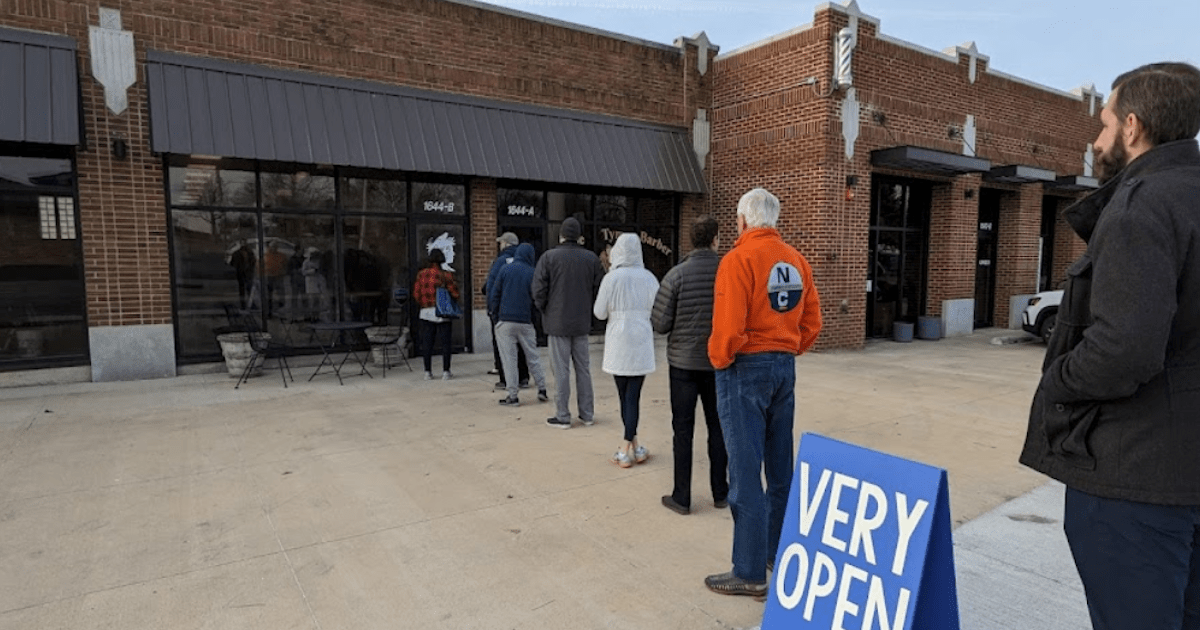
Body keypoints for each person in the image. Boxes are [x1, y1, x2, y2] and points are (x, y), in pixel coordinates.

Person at [1019, 62, 1200, 630]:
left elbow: (1124, 347)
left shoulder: (1141, 204)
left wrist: (1058, 380)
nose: (1095, 141)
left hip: (1137, 480)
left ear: (1132, 127)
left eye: (1101, 126)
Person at [704, 188, 822, 598]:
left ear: (740, 221)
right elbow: (813, 321)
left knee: (745, 470)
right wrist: (789, 347)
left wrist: (721, 360)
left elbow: (729, 327)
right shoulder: (797, 260)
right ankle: (776, 553)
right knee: (779, 468)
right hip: (783, 368)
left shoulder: (737, 260)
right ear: (774, 220)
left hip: (744, 369)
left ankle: (749, 569)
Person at [651, 215, 728, 514]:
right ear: (715, 239)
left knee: (682, 430)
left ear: (690, 240)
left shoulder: (676, 275)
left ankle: (681, 497)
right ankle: (721, 492)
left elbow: (660, 323)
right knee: (718, 428)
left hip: (682, 365)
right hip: (718, 363)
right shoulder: (729, 273)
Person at [593, 232, 659, 466]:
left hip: (618, 341)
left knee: (625, 397)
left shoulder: (611, 279)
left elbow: (599, 313)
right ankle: (636, 446)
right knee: (633, 396)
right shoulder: (649, 278)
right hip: (641, 339)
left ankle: (624, 449)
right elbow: (658, 310)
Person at [532, 216, 605, 429]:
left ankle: (563, 415)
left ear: (561, 235)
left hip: (557, 322)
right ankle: (587, 413)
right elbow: (599, 288)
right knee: (583, 368)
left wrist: (545, 309)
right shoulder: (591, 259)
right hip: (581, 322)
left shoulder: (548, 257)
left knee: (561, 369)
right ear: (579, 236)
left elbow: (538, 290)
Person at [488, 243, 549, 406]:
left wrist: (495, 316)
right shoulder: (532, 273)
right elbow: (537, 299)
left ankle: (513, 395)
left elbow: (495, 294)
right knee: (533, 356)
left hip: (505, 321)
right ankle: (542, 388)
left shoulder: (505, 269)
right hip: (525, 322)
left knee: (509, 360)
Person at [484, 232, 529, 389]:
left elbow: (491, 287)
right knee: (522, 346)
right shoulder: (525, 261)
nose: (499, 245)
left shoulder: (500, 261)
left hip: (503, 311)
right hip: (522, 311)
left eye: (501, 242)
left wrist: (491, 310)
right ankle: (523, 377)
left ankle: (505, 379)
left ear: (506, 244)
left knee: (503, 347)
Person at [412, 248, 459, 381]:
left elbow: (416, 293)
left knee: (427, 343)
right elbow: (455, 293)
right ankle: (446, 371)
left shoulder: (421, 274)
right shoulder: (446, 275)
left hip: (426, 311)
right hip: (442, 312)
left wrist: (424, 303)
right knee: (445, 343)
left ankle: (428, 372)